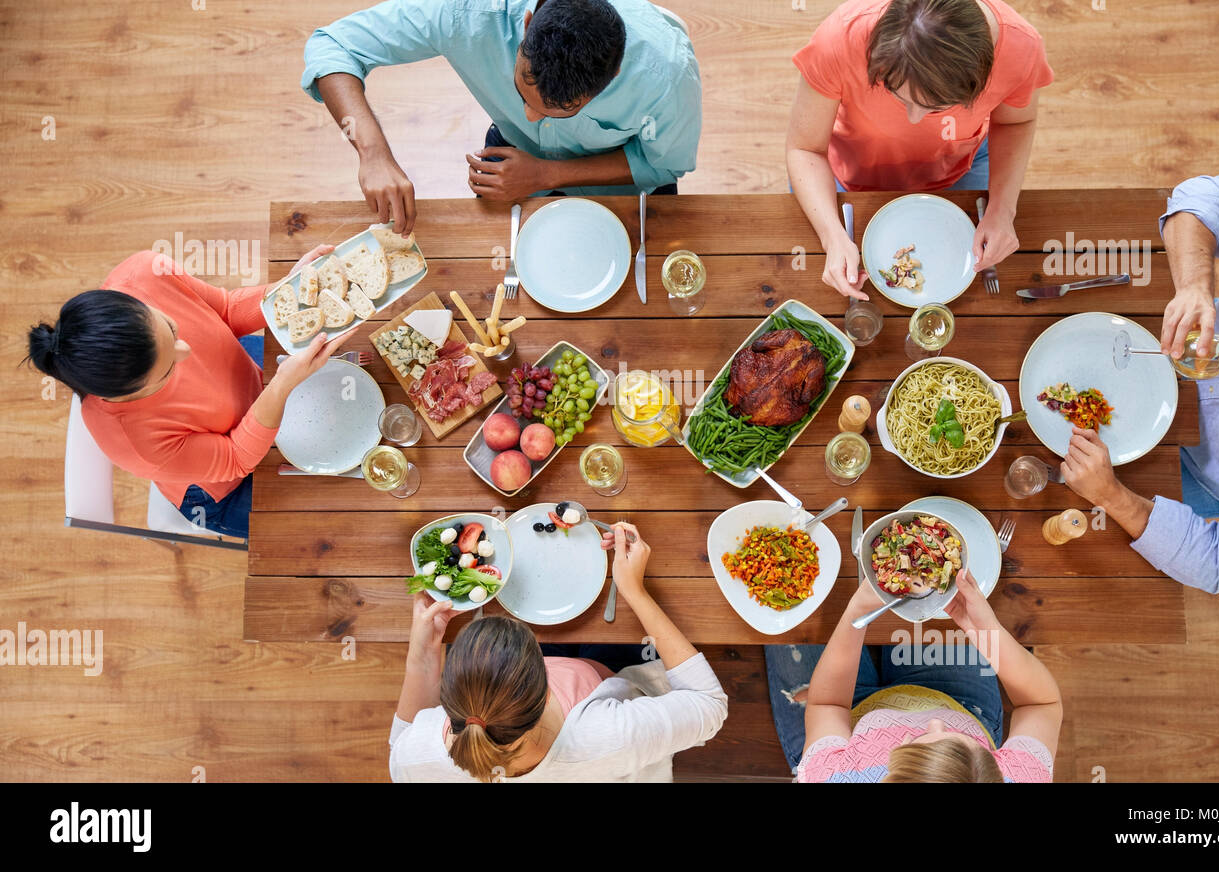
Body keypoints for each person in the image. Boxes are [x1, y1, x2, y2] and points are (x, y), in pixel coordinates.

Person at [1062, 175, 1219, 593]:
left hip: (1189, 470)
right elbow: (1211, 194)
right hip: (1157, 341)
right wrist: (1195, 287)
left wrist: (1112, 497)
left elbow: (1217, 565)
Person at [25, 246, 348, 539]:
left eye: (172, 329)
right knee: (327, 523)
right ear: (127, 396)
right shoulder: (136, 445)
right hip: (226, 489)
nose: (187, 350)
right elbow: (235, 458)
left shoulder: (145, 273)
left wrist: (282, 293)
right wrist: (280, 387)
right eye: (168, 371)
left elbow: (223, 311)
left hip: (252, 378)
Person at [302, 0, 703, 233]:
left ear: (613, 76)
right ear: (528, 25)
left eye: (557, 111)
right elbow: (332, 46)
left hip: (618, 184)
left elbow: (662, 163)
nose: (529, 119)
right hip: (511, 168)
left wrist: (549, 174)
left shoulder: (666, 73)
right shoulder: (463, 11)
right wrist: (372, 153)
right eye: (522, 94)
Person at [389, 524, 728, 781]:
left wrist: (423, 650)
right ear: (545, 687)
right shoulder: (609, 736)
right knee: (617, 634)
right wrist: (633, 591)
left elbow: (402, 743)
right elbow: (710, 703)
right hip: (610, 683)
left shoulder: (418, 758)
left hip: (575, 692)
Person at [786, 0, 1053, 299]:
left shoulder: (1021, 48)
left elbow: (1015, 123)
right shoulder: (837, 41)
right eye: (898, 96)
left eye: (934, 108)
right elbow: (805, 150)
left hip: (959, 169)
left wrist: (1002, 212)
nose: (913, 120)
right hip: (845, 176)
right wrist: (832, 237)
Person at [768, 570, 1061, 782]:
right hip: (956, 699)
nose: (937, 722)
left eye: (922, 736)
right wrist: (986, 633)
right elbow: (1040, 705)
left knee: (784, 602)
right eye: (979, 753)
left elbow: (828, 705)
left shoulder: (834, 778)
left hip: (837, 713)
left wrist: (857, 612)